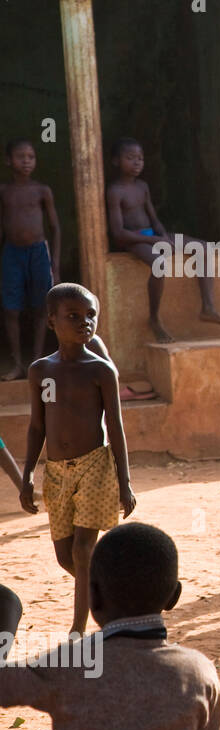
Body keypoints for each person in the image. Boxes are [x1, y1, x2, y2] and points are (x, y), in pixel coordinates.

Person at [0, 524, 220, 730]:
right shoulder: (198, 672)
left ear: (92, 595)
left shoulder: (73, 663)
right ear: (174, 597)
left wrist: (5, 610)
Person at [19, 283, 135, 635]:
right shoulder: (41, 371)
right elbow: (37, 426)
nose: (85, 322)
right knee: (66, 557)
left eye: (90, 316)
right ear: (51, 321)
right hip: (56, 472)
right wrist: (26, 476)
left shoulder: (101, 371)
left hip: (95, 467)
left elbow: (115, 427)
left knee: (84, 550)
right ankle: (117, 589)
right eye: (74, 315)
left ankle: (78, 629)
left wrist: (125, 483)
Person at [105, 137, 220, 343]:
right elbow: (118, 233)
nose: (137, 162)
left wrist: (163, 237)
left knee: (204, 248)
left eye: (140, 158)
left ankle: (207, 307)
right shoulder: (114, 191)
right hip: (133, 240)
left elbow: (154, 218)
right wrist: (154, 241)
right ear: (116, 161)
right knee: (159, 264)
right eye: (130, 158)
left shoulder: (142, 187)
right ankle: (154, 319)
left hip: (151, 235)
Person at [1, 138, 60, 380]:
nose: (26, 161)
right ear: (8, 161)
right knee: (10, 310)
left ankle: (37, 362)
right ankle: (17, 363)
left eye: (31, 157)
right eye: (20, 157)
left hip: (38, 252)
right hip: (11, 253)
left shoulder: (42, 190)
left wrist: (54, 264)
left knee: (41, 308)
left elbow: (55, 227)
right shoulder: (4, 191)